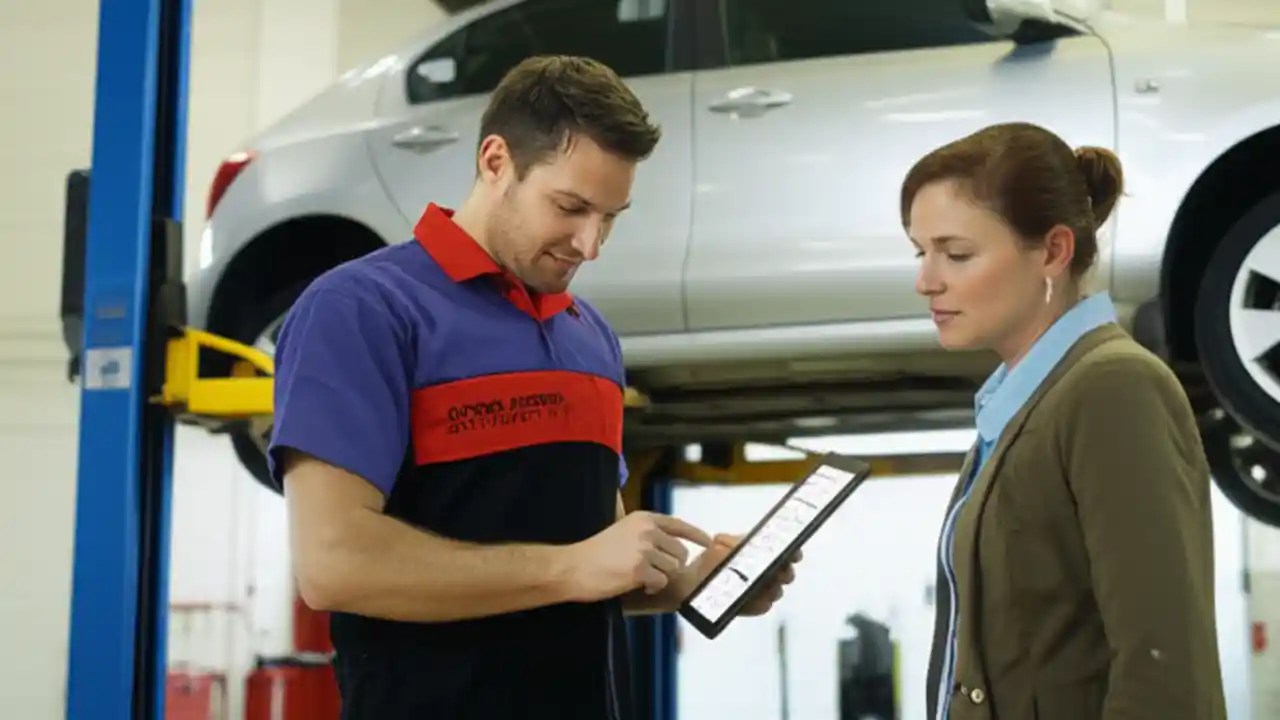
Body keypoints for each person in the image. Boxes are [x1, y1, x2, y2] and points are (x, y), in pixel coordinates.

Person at [268, 55, 799, 719]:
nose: (590, 244)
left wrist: (687, 583)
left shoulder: (589, 336)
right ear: (496, 162)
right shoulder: (362, 309)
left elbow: (589, 562)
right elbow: (333, 564)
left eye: (611, 215)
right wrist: (575, 568)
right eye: (571, 207)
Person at [901, 122, 1228, 720]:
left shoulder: (1112, 389)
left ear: (1053, 251)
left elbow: (1162, 669)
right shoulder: (1021, 403)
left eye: (957, 253)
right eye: (920, 252)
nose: (927, 280)